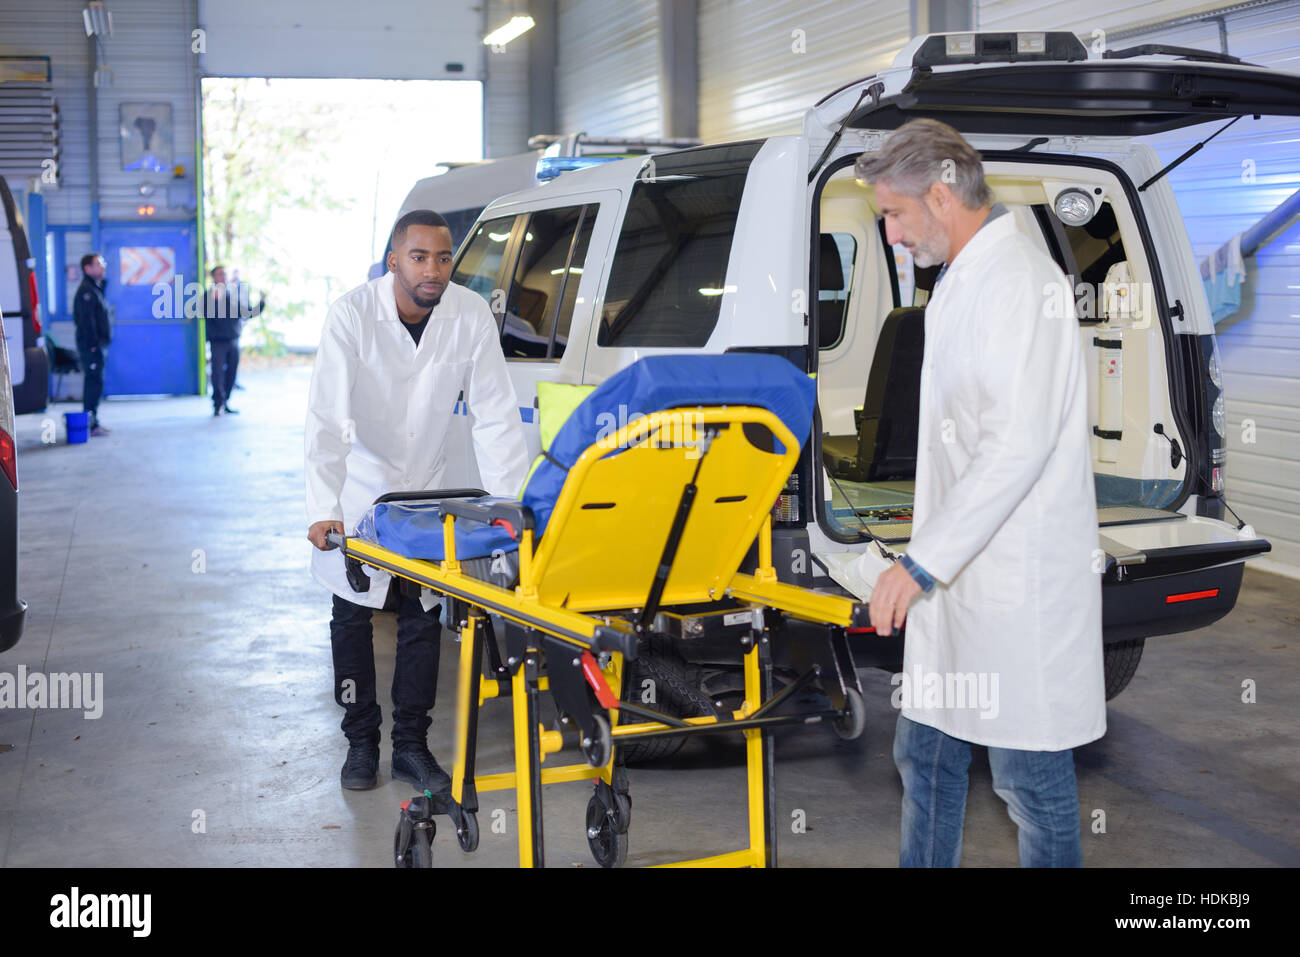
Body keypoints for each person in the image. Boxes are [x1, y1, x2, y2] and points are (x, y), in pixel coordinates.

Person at [856, 119, 1105, 867]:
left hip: (1013, 583)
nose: (892, 234)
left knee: (1029, 776)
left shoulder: (1022, 284)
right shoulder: (962, 280)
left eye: (895, 214)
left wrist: (921, 562)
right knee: (924, 755)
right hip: (959, 581)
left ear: (939, 195)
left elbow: (1015, 444)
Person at [305, 209, 529, 794]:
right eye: (420, 257)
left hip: (427, 487)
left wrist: (513, 505)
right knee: (352, 617)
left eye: (444, 257)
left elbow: (496, 415)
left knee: (422, 615)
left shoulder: (469, 313)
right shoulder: (352, 315)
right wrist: (322, 504)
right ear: (394, 262)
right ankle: (360, 742)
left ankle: (411, 745)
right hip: (357, 490)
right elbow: (327, 419)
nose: (435, 269)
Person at [204, 265, 264, 415]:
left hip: (233, 339)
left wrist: (262, 303)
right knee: (217, 373)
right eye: (219, 274)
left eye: (224, 274)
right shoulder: (208, 296)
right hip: (217, 341)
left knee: (232, 372)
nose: (222, 277)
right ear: (213, 277)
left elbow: (247, 313)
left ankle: (226, 401)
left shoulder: (233, 296)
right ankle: (218, 404)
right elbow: (206, 314)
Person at [73, 253, 113, 436]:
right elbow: (86, 322)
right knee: (93, 383)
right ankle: (90, 425)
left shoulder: (96, 289)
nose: (102, 267)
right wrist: (93, 346)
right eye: (98, 264)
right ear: (87, 268)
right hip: (92, 346)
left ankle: (92, 422)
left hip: (97, 346)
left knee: (96, 382)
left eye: (102, 263)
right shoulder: (86, 292)